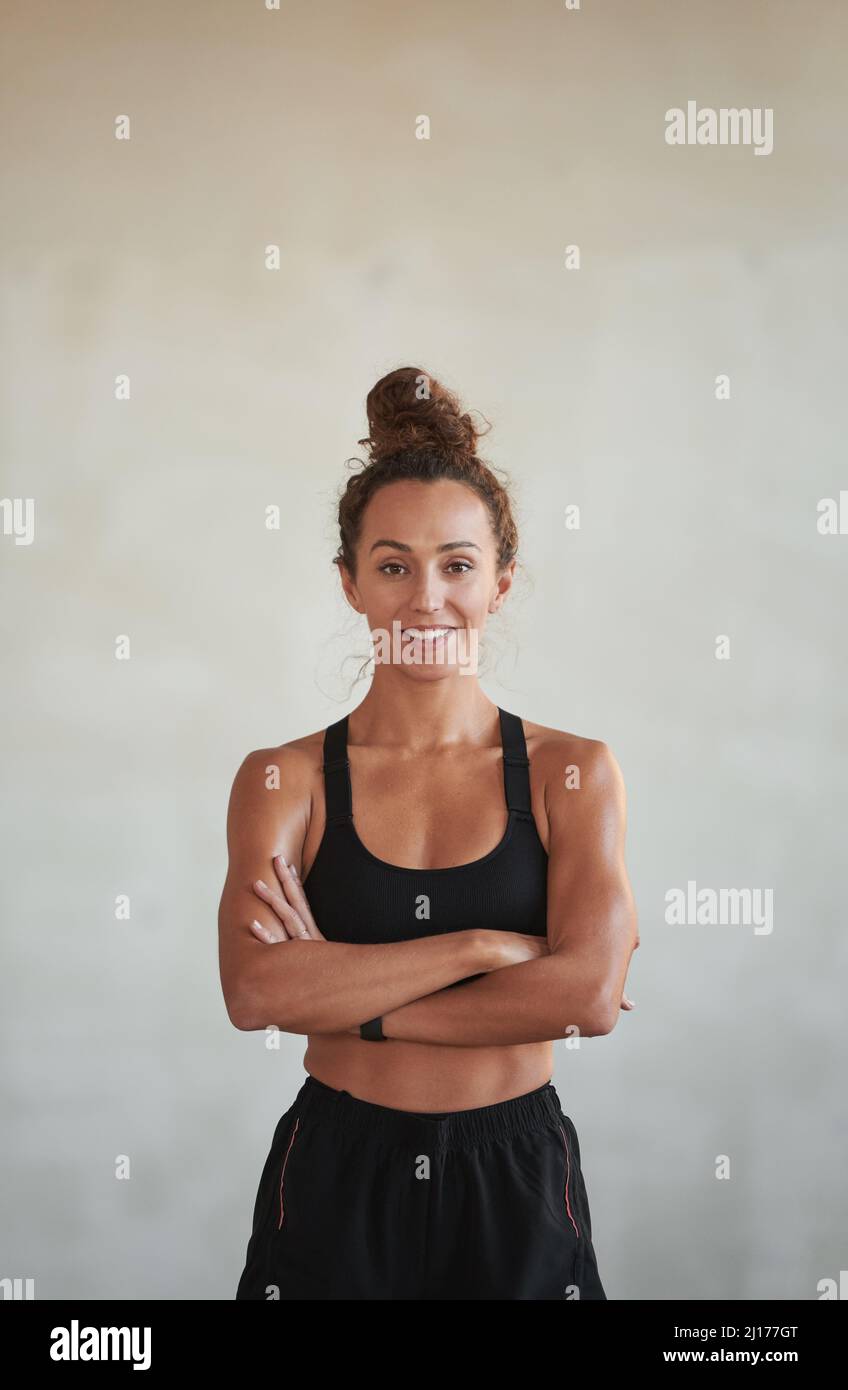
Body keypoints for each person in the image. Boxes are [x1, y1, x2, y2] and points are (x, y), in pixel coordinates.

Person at [219, 365, 639, 1300]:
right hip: (337, 1170)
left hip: (517, 1173)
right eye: (393, 565)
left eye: (456, 564)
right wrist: (483, 947)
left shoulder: (576, 772)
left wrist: (345, 996)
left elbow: (588, 999)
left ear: (501, 582)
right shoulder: (283, 781)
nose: (425, 599)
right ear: (350, 583)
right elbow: (254, 992)